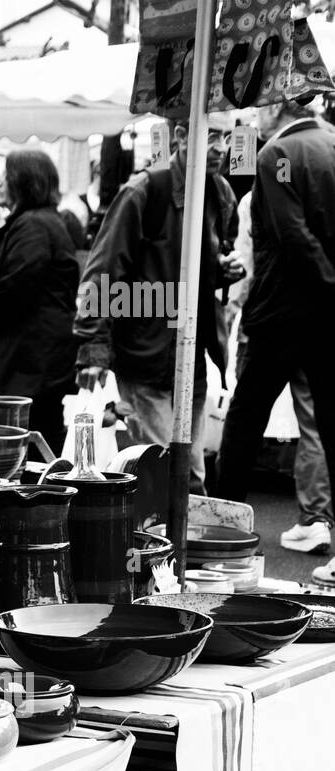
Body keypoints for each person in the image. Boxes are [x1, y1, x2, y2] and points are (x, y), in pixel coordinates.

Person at [74, 113, 242, 493]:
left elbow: (199, 268)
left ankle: (184, 551)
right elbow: (101, 271)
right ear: (181, 136)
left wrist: (222, 269)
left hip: (192, 355)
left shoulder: (220, 193)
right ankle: (156, 549)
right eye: (211, 136)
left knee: (192, 475)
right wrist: (93, 346)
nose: (221, 147)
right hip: (145, 355)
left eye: (226, 137)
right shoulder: (143, 191)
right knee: (166, 474)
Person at [216, 97, 335, 533]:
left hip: (282, 311)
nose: (254, 116)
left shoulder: (277, 154)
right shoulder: (329, 143)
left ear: (279, 107)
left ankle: (223, 531)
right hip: (324, 317)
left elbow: (291, 233)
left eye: (261, 106)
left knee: (246, 418)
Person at [227, 186, 333, 554]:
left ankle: (232, 522)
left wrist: (233, 309)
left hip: (269, 319)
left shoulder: (256, 198)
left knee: (246, 417)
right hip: (318, 320)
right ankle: (315, 519)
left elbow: (247, 263)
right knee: (314, 422)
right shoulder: (321, 190)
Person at [0, 150, 79, 453]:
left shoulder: (34, 225)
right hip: (36, 357)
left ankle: (33, 495)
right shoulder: (40, 221)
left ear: (23, 182)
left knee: (26, 439)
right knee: (39, 432)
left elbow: (15, 288)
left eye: (5, 178)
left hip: (32, 361)